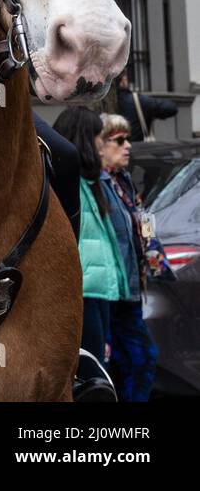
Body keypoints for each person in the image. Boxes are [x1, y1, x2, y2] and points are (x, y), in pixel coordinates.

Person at [55, 108, 128, 377]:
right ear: (85, 138)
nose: (102, 143)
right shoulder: (68, 183)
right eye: (99, 136)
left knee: (98, 369)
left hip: (97, 290)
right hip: (84, 291)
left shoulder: (90, 182)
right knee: (91, 373)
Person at [98, 113, 158, 400]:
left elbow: (142, 220)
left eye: (128, 139)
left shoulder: (123, 181)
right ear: (100, 146)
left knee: (139, 361)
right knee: (135, 360)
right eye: (119, 140)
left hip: (130, 291)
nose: (128, 146)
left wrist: (153, 250)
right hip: (111, 295)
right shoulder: (96, 185)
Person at [116, 70, 176, 143]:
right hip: (137, 150)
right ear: (123, 79)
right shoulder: (137, 101)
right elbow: (171, 108)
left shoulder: (102, 102)